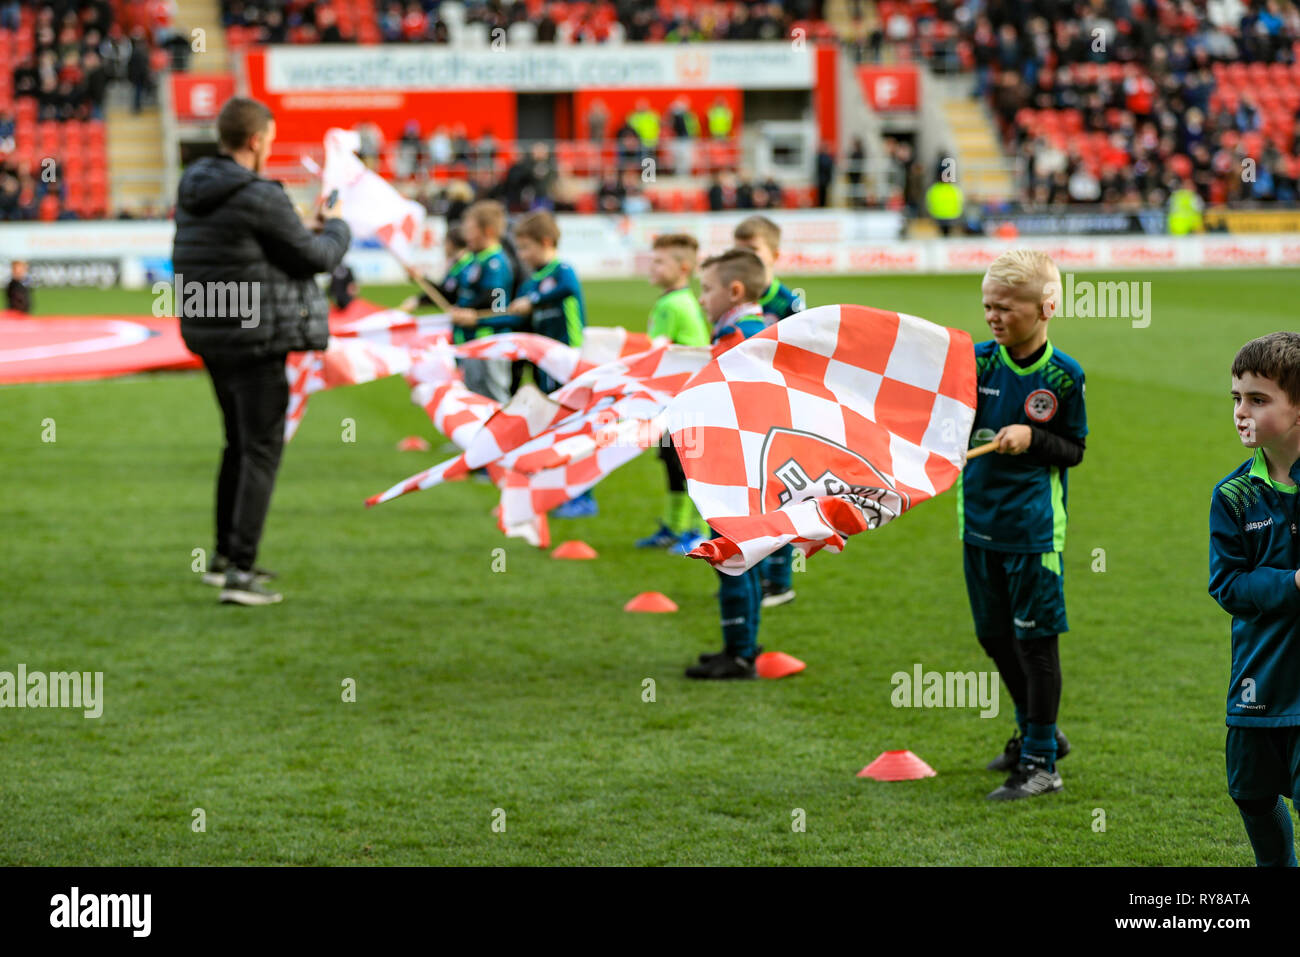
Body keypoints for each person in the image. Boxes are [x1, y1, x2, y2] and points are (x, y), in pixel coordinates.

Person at [172, 96, 350, 605]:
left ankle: (226, 557)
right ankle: (241, 574)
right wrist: (336, 226)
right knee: (262, 448)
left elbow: (250, 244)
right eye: (270, 138)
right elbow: (314, 258)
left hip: (209, 329)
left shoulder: (196, 185)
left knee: (237, 441)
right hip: (254, 337)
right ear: (256, 140)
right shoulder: (260, 194)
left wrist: (301, 227)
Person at [963, 249, 1086, 800]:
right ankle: (1039, 733)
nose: (993, 316)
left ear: (1045, 308)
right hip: (976, 523)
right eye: (988, 305)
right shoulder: (975, 362)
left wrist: (1032, 438)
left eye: (1006, 308)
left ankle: (1040, 763)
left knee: (1036, 644)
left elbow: (1074, 450)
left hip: (1033, 531)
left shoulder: (1064, 376)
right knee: (993, 637)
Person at [1209, 332, 1300, 866]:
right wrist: (1289, 585)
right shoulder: (1234, 494)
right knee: (1251, 793)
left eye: (1259, 400)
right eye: (1237, 398)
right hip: (1258, 673)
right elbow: (1228, 585)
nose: (1242, 412)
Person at [684, 248, 769, 680]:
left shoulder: (739, 334)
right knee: (740, 556)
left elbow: (721, 392)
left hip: (737, 466)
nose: (701, 299)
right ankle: (741, 646)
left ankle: (739, 655)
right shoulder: (756, 327)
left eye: (707, 289)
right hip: (749, 461)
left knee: (732, 556)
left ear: (734, 291)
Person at [732, 215, 803, 607]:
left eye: (753, 251)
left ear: (774, 255)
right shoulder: (735, 298)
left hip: (779, 410)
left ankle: (779, 581)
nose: (744, 258)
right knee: (747, 495)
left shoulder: (787, 301)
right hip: (742, 410)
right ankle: (751, 576)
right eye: (738, 250)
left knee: (779, 494)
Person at [506, 211, 594, 518]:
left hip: (568, 360)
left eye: (527, 248)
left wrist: (533, 302)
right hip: (543, 363)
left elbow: (567, 290)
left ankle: (584, 496)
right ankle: (560, 489)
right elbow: (517, 315)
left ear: (546, 242)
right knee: (553, 426)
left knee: (574, 426)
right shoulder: (532, 281)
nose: (523, 255)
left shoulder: (562, 270)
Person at [636, 234, 712, 553]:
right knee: (674, 463)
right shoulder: (678, 300)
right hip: (683, 401)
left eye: (659, 261)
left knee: (688, 467)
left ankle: (699, 531)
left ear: (683, 267)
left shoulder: (672, 304)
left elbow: (654, 354)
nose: (651, 266)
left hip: (684, 402)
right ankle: (676, 526)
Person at [447, 199, 517, 402]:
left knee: (494, 398)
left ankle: (504, 434)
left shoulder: (497, 263)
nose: (466, 236)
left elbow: (498, 307)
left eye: (470, 230)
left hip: (490, 343)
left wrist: (472, 315)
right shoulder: (475, 260)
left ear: (487, 231)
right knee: (474, 397)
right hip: (471, 340)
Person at [400, 225, 471, 314]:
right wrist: (418, 299)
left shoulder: (465, 265)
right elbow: (445, 291)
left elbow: (448, 296)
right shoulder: (459, 264)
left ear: (450, 243)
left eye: (444, 242)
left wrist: (421, 279)